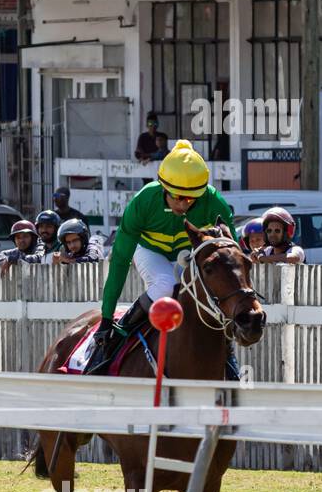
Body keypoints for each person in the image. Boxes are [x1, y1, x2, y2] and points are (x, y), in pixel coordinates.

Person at [84, 139, 236, 376]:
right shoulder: (143, 201)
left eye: (191, 198)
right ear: (164, 186)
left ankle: (227, 353)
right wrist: (106, 317)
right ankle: (120, 333)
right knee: (166, 284)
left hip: (187, 253)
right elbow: (120, 261)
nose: (183, 204)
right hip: (149, 251)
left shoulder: (213, 201)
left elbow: (232, 257)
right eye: (177, 197)